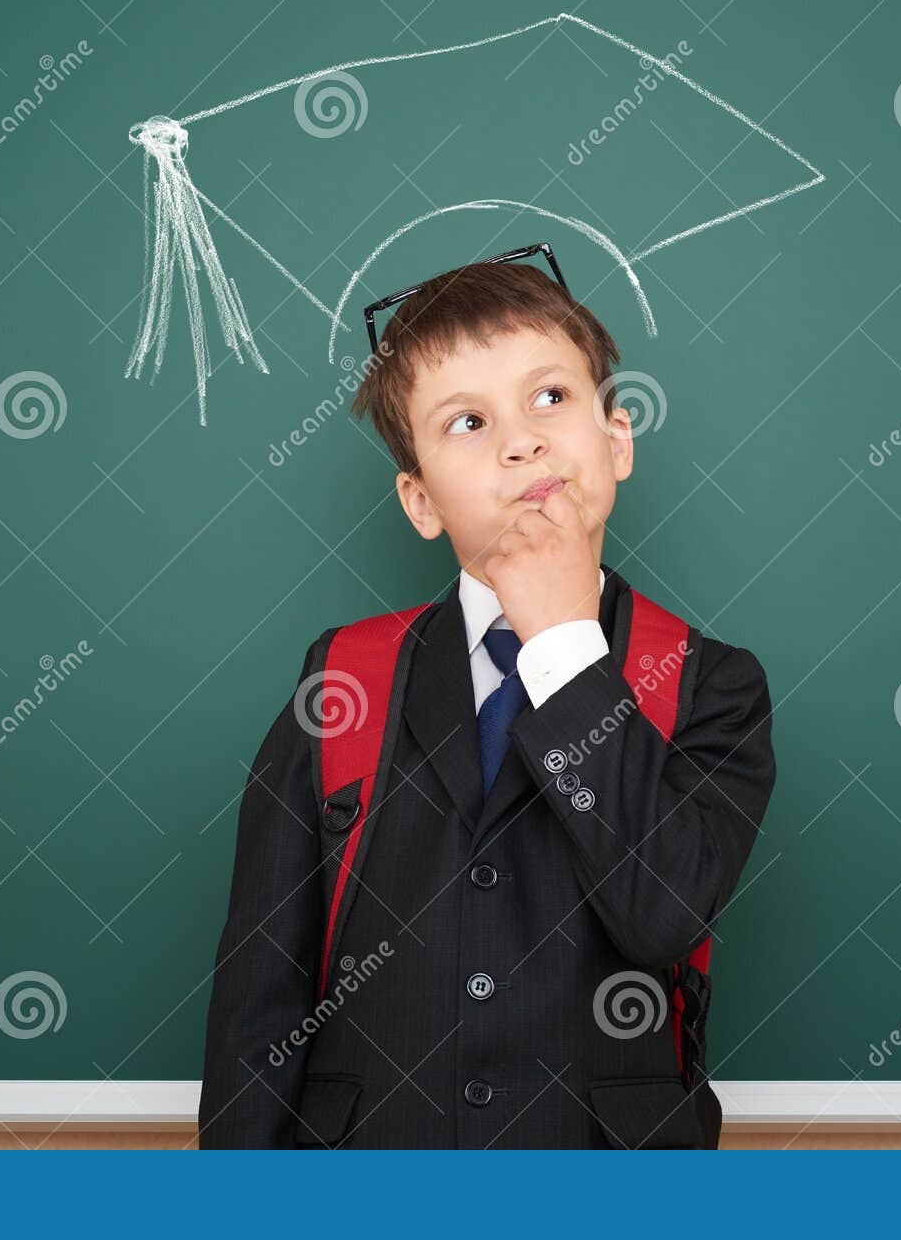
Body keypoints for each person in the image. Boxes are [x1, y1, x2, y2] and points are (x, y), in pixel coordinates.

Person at [197, 253, 775, 1148]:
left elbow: (660, 914)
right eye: (467, 421)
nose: (521, 441)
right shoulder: (341, 680)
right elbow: (260, 991)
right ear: (421, 501)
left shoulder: (712, 685)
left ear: (617, 440)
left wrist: (562, 644)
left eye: (550, 397)